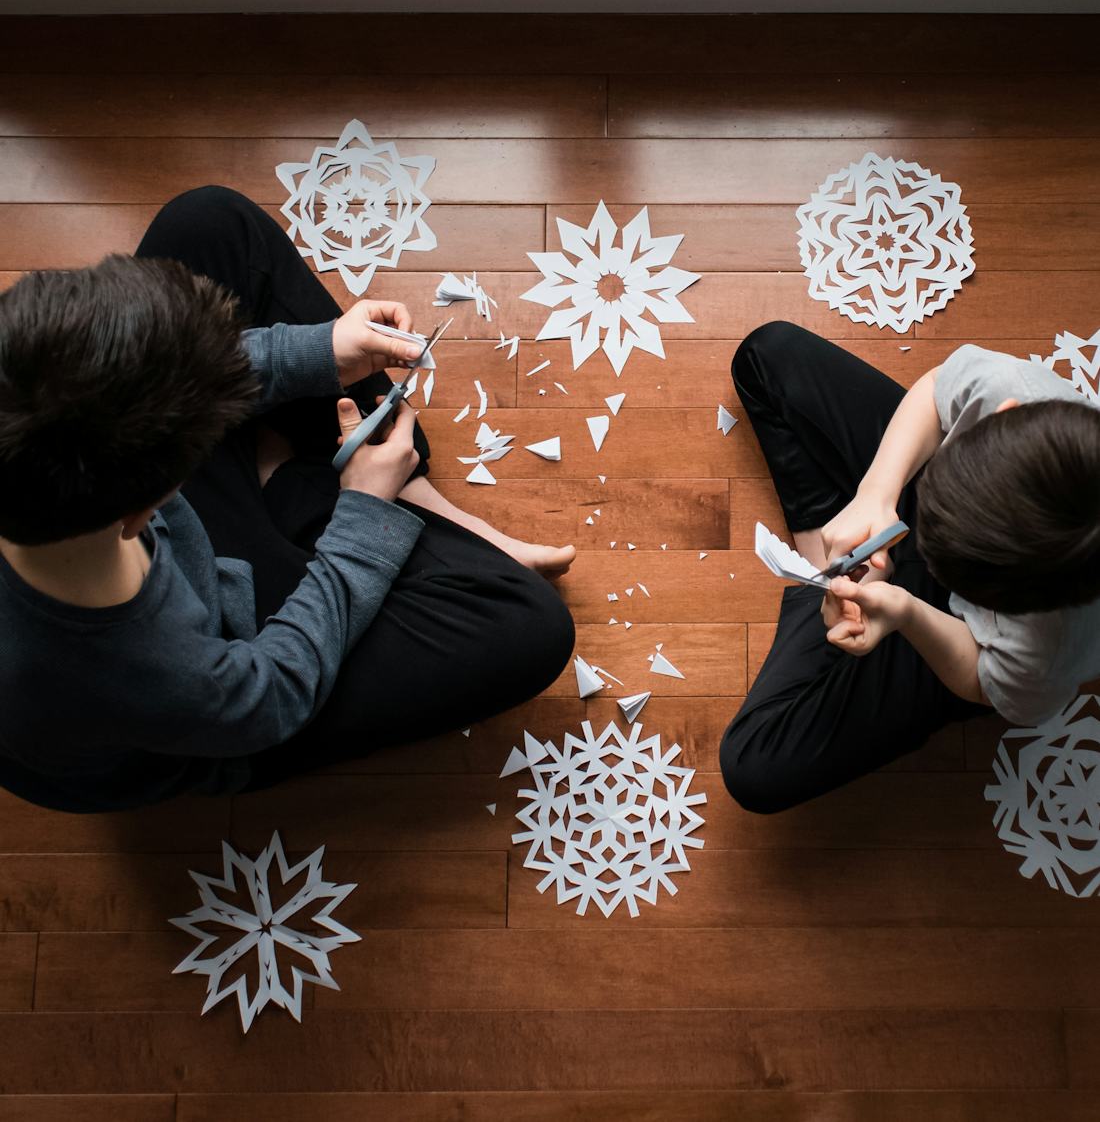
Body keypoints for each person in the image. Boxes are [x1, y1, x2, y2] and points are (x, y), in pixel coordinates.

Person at [0, 186, 576, 813]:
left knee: (208, 222)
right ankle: (316, 486)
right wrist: (363, 513)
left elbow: (126, 382)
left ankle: (375, 485)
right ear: (151, 508)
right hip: (235, 689)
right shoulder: (144, 674)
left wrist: (317, 350)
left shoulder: (49, 464)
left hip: (139, 544)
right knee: (530, 625)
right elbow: (272, 691)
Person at [719, 321, 1100, 814]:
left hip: (956, 630)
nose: (910, 536)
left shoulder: (1046, 651)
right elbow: (937, 388)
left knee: (753, 766)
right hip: (974, 520)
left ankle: (827, 579)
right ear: (1004, 418)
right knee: (764, 355)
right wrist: (877, 492)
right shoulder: (1020, 393)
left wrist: (904, 611)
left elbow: (981, 681)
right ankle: (831, 568)